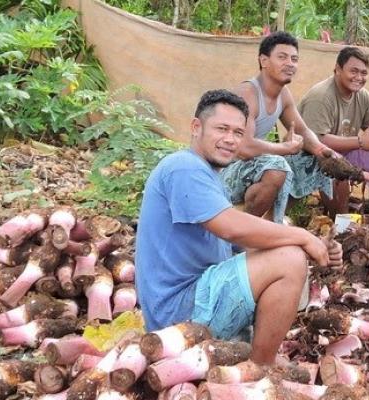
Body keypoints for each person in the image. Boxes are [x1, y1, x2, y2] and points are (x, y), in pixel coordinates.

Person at [135, 89, 342, 364]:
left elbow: (241, 242)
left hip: (198, 300)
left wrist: (315, 244)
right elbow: (232, 228)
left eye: (238, 133)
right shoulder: (183, 167)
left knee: (288, 249)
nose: (230, 139)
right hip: (180, 311)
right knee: (289, 259)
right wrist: (301, 237)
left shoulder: (209, 176)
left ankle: (255, 358)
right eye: (222, 129)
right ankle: (260, 369)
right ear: (196, 127)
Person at [220, 31, 340, 223]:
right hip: (224, 170)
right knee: (277, 166)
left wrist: (321, 150)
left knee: (314, 159)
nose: (290, 63)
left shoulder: (283, 94)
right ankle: (243, 229)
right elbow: (243, 148)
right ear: (264, 61)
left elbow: (302, 130)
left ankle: (271, 221)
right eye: (282, 57)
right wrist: (284, 148)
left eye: (294, 59)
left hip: (250, 166)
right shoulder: (248, 93)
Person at [298, 46, 369, 215]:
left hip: (345, 153)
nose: (359, 77)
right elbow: (316, 141)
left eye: (364, 73)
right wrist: (359, 142)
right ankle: (342, 221)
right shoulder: (321, 97)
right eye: (353, 71)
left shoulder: (363, 96)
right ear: (337, 69)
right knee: (338, 168)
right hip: (314, 157)